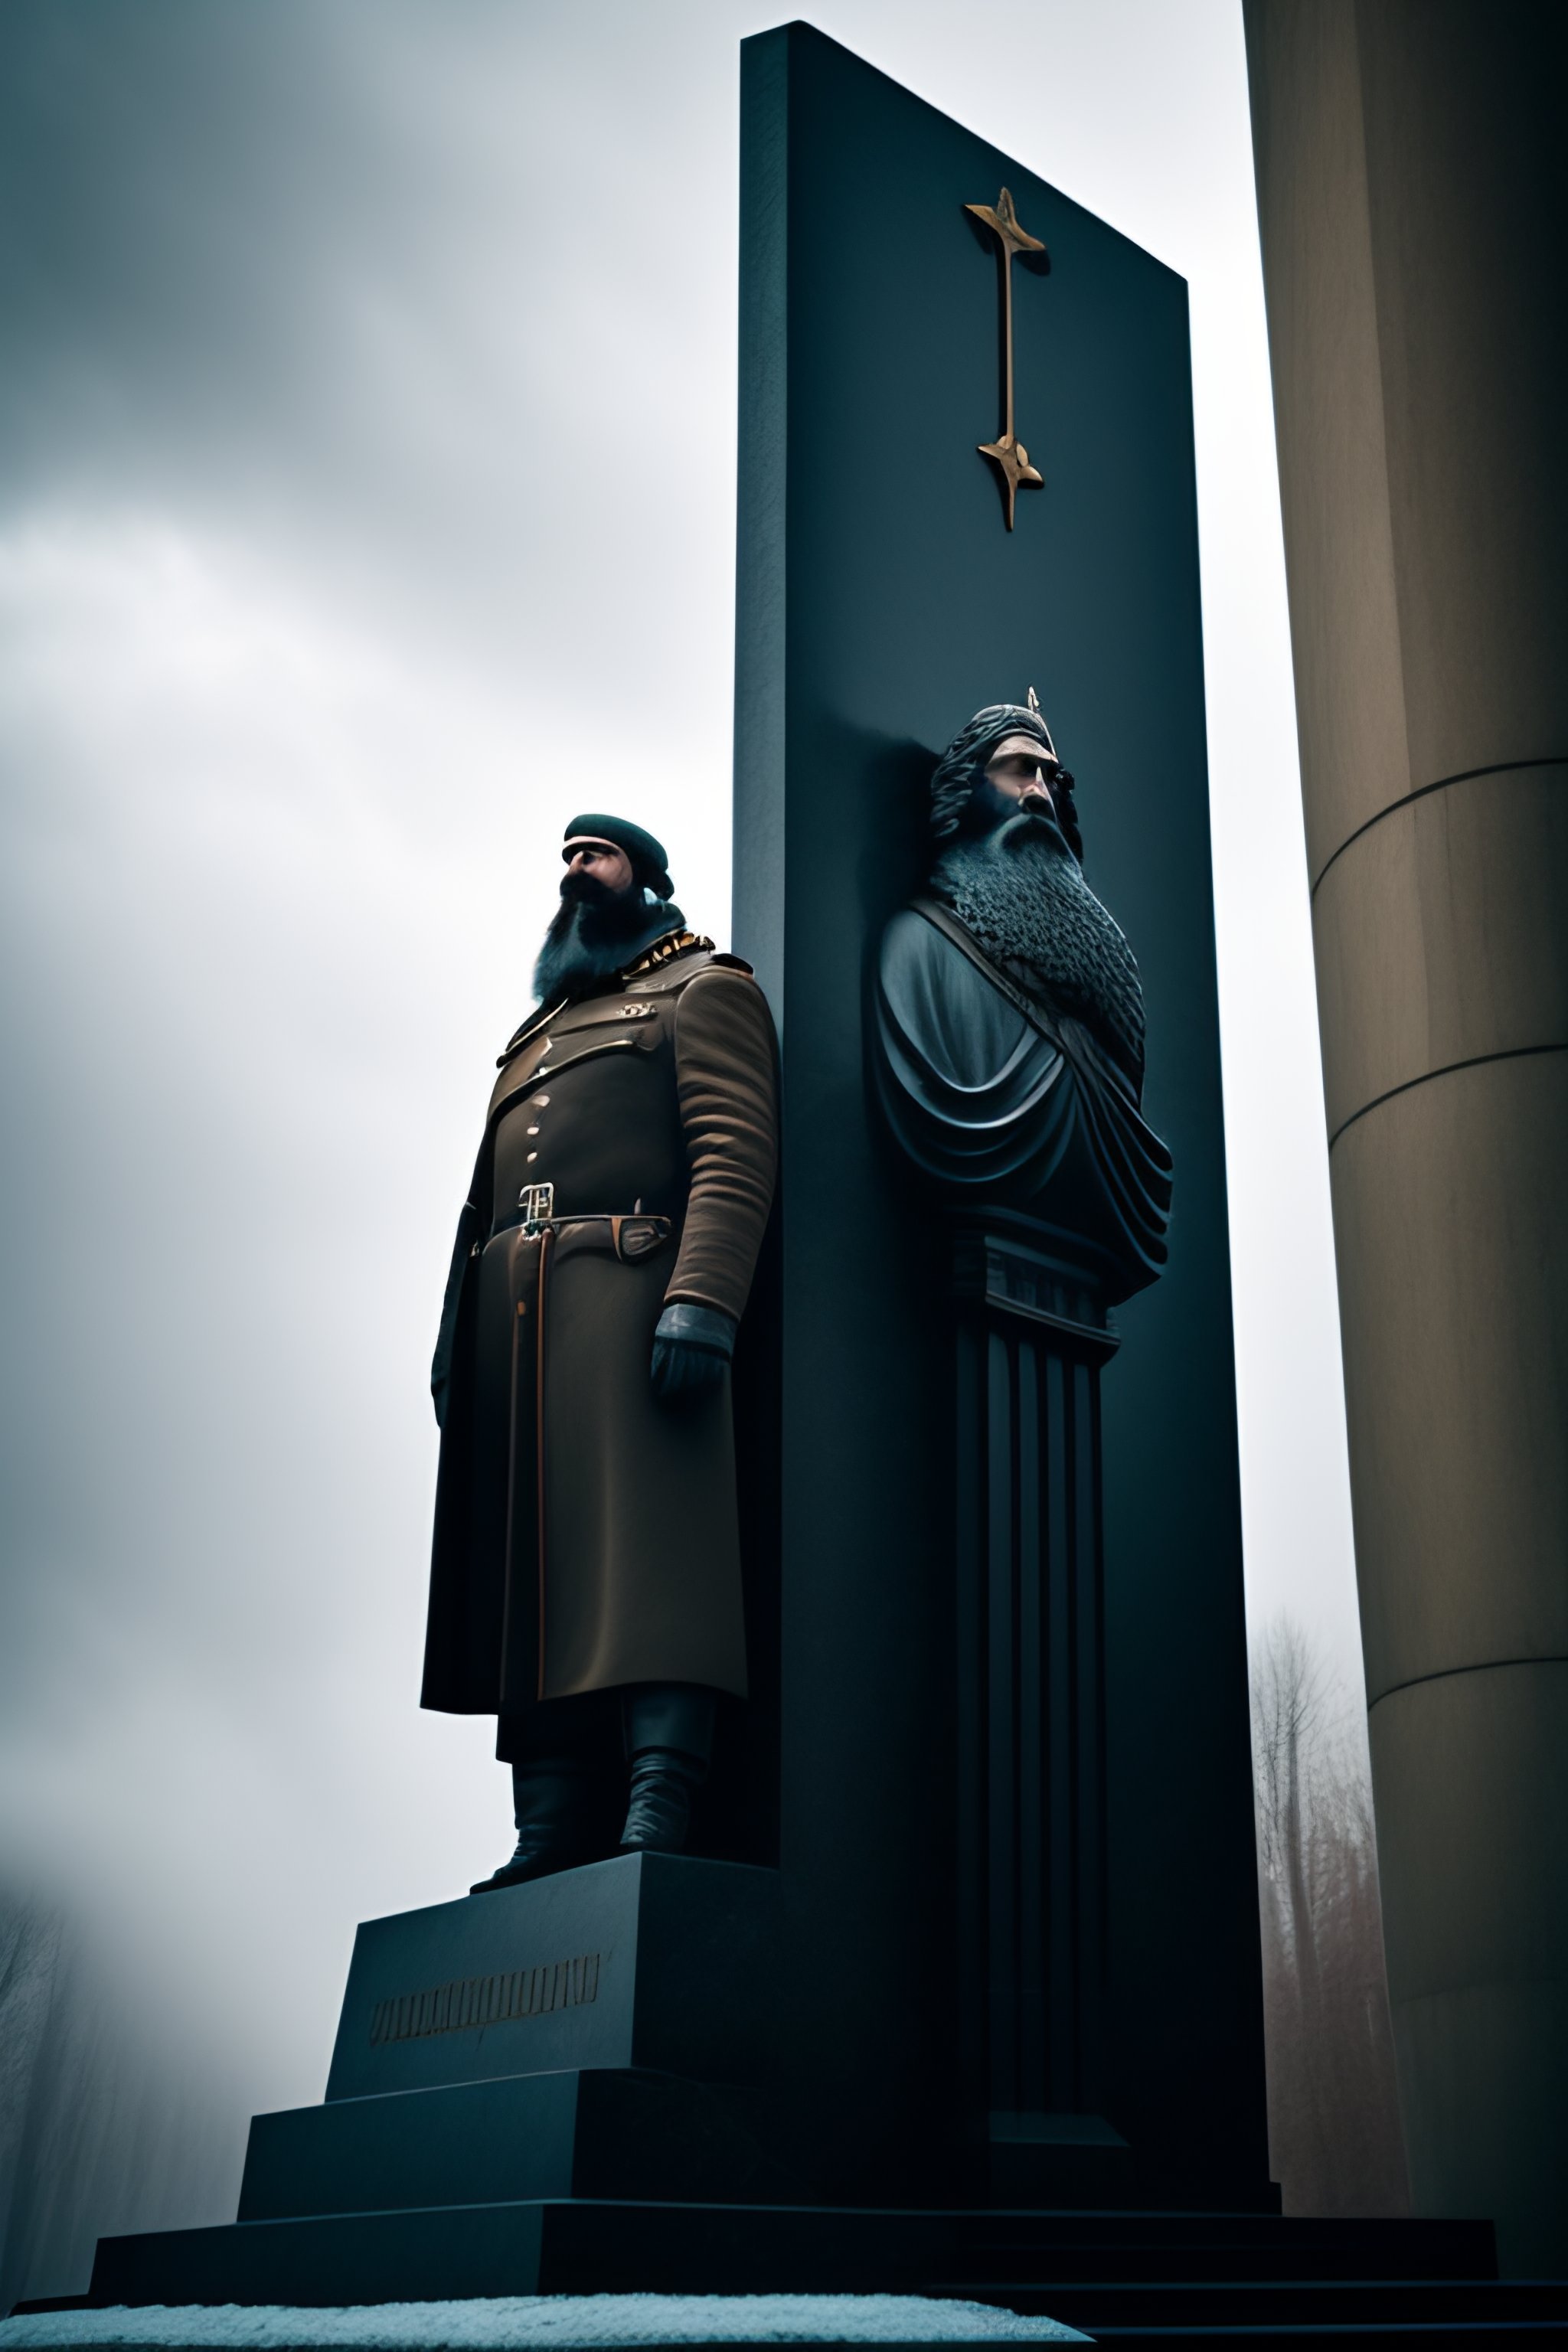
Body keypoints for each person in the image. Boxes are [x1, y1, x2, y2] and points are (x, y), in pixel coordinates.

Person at [421, 814, 779, 1893]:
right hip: (515, 1337)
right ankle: (546, 1822)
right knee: (530, 1580)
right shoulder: (531, 1037)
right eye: (568, 858)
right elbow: (476, 1209)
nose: (577, 872)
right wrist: (452, 1342)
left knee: (651, 1566)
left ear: (649, 882)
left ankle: (658, 1797)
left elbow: (734, 1148)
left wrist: (703, 1301)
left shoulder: (702, 990)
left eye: (599, 856)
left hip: (631, 1312)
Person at [873, 698, 1171, 1298]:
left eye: (1051, 779)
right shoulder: (918, 953)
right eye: (1017, 770)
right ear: (966, 793)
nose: (1039, 794)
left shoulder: (1100, 1015)